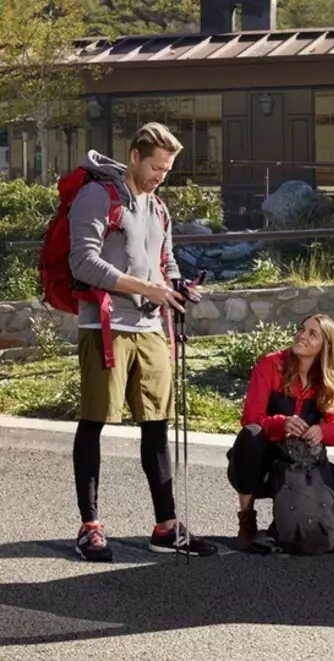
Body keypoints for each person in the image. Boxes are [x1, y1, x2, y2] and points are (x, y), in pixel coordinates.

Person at [66, 122, 218, 562]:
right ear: (134, 156)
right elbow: (83, 261)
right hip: (106, 327)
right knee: (94, 421)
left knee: (156, 424)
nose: (160, 176)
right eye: (156, 167)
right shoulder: (98, 196)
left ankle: (166, 525)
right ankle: (90, 526)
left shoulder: (157, 206)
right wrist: (145, 287)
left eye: (167, 170)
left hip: (151, 329)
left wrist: (175, 285)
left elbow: (164, 260)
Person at [228, 314, 334, 552]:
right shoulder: (270, 364)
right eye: (301, 329)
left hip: (294, 466)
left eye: (312, 333)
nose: (302, 336)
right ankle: (247, 521)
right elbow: (250, 417)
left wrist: (321, 430)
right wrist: (280, 423)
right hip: (258, 467)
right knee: (250, 435)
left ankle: (288, 521)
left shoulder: (328, 379)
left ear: (325, 346)